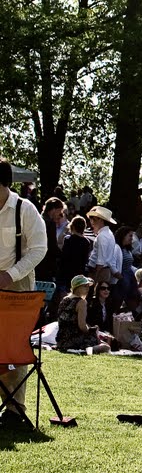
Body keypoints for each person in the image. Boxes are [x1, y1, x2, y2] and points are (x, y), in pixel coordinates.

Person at [0, 160, 48, 420]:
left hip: (17, 283)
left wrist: (11, 274)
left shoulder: (24, 209)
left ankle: (14, 411)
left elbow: (40, 249)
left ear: (4, 183)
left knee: (12, 347)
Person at [55, 276, 111, 352]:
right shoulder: (81, 302)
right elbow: (82, 326)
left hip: (61, 340)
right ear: (77, 287)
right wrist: (92, 330)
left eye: (88, 286)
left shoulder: (65, 299)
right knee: (106, 346)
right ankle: (88, 350)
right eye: (85, 286)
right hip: (74, 340)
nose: (87, 289)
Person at [86, 206, 123, 287]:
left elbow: (100, 261)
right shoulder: (109, 233)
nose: (91, 221)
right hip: (103, 271)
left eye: (94, 219)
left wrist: (94, 279)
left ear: (100, 220)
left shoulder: (102, 236)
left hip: (98, 271)